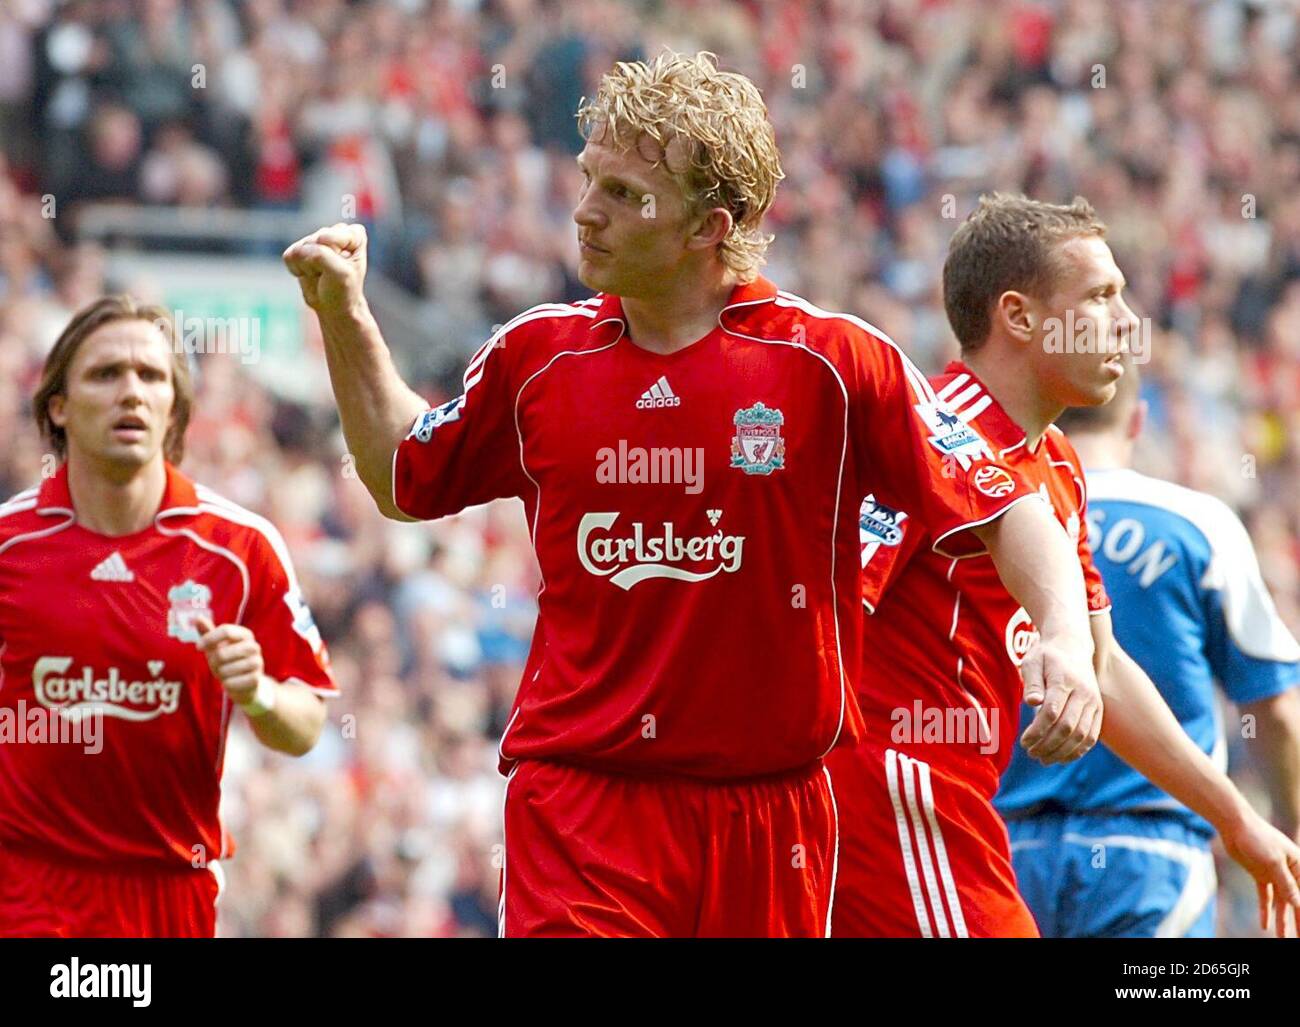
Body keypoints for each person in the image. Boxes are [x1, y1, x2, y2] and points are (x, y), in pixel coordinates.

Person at [284, 53, 1104, 938]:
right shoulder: (539, 358)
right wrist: (345, 317)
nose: (584, 211)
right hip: (583, 809)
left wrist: (1063, 632)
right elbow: (405, 474)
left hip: (774, 819)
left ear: (710, 227)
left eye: (626, 195)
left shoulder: (830, 363)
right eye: (589, 177)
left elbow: (1007, 503)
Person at [829, 193, 1300, 938]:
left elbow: (1104, 668)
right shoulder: (924, 435)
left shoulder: (1056, 466)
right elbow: (822, 626)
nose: (1128, 324)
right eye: (1101, 297)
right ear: (1019, 316)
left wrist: (1238, 820)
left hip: (960, 814)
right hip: (891, 800)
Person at [0, 295, 336, 938]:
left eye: (151, 376)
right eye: (105, 374)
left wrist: (258, 694)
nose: (131, 392)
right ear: (58, 406)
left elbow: (305, 726)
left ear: (175, 408)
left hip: (170, 892)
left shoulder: (240, 549)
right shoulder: (11, 546)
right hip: (29, 886)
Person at [996, 356, 1300, 936]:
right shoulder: (1199, 523)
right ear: (1137, 421)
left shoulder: (994, 513)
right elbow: (1274, 705)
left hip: (1009, 850)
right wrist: (1285, 816)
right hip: (1151, 857)